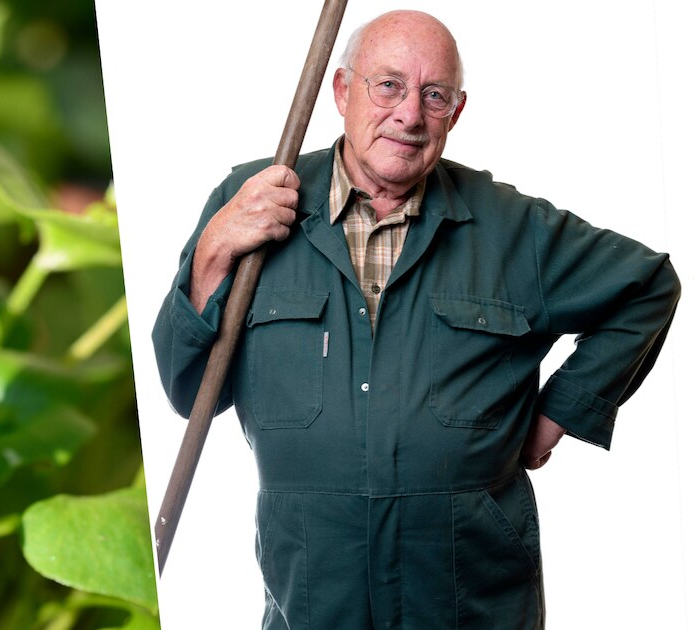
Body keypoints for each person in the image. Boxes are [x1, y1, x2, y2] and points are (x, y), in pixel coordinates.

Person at [151, 10, 680, 629]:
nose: (410, 115)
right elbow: (187, 388)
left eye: (434, 95)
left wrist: (561, 412)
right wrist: (214, 250)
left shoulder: (513, 228)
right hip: (313, 601)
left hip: (470, 601)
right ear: (342, 91)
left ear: (456, 112)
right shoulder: (252, 201)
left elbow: (647, 285)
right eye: (388, 86)